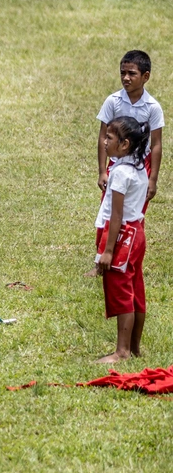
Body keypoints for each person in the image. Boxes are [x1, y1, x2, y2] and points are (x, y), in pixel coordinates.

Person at [95, 116, 150, 363]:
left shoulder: (119, 173)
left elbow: (116, 215)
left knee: (121, 292)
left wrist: (107, 251)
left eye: (109, 138)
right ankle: (135, 348)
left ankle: (122, 351)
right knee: (135, 289)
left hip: (123, 235)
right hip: (137, 232)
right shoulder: (139, 168)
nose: (104, 142)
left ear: (125, 144)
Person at [98, 50, 163, 203]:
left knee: (135, 209)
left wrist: (153, 179)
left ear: (145, 76)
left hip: (142, 165)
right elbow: (102, 136)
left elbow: (156, 144)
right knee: (109, 207)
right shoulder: (113, 101)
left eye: (132, 73)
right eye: (123, 73)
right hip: (115, 162)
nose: (126, 78)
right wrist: (102, 171)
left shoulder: (153, 107)